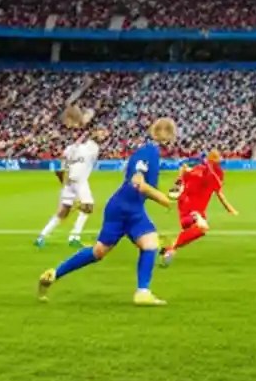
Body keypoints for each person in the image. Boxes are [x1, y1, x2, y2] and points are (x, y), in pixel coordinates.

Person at [37, 117, 177, 306]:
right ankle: (142, 292)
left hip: (125, 207)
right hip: (127, 209)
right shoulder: (150, 152)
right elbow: (138, 183)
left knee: (101, 251)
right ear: (169, 136)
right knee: (149, 244)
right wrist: (164, 200)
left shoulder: (145, 151)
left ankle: (54, 274)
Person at [35, 105, 104, 248]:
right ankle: (74, 236)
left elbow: (59, 169)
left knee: (63, 212)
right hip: (79, 182)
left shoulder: (70, 149)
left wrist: (63, 183)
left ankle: (42, 236)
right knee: (88, 207)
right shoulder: (91, 148)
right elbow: (90, 127)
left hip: (69, 182)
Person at [160, 150, 239, 266]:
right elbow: (220, 194)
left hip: (187, 210)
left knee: (194, 232)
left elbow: (177, 187)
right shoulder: (211, 174)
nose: (220, 160)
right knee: (202, 228)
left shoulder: (196, 170)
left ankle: (169, 248)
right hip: (191, 210)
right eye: (217, 158)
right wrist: (231, 210)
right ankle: (171, 248)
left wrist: (181, 174)